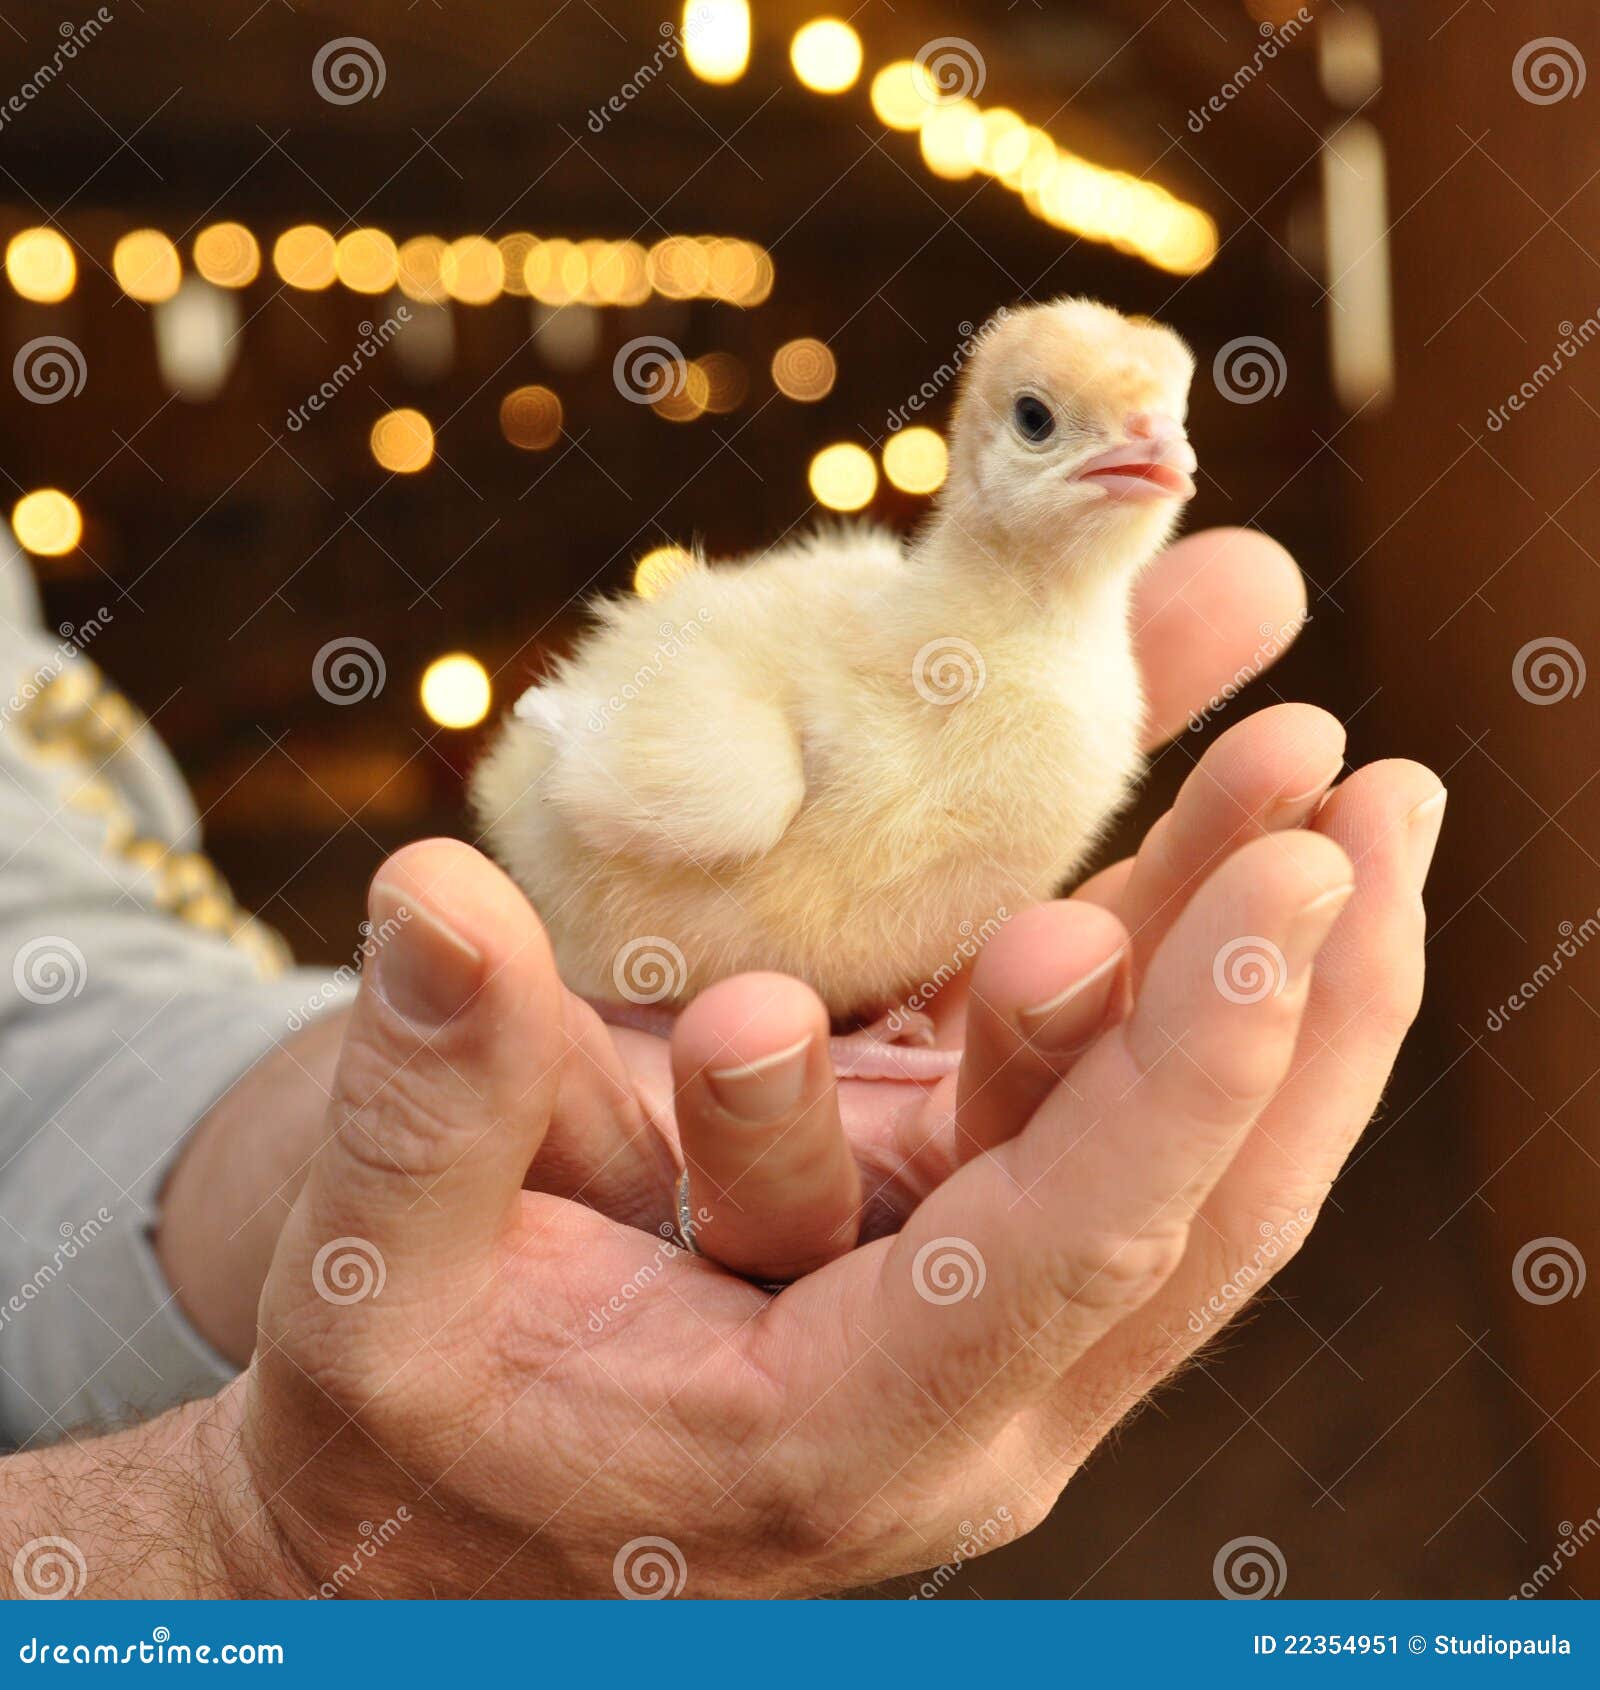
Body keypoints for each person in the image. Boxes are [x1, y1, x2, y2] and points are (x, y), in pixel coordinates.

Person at [0, 526, 1441, 1597]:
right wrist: (223, 1536)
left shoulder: (967, 676)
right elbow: (587, 780)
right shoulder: (811, 700)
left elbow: (35, 957)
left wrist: (315, 1153)